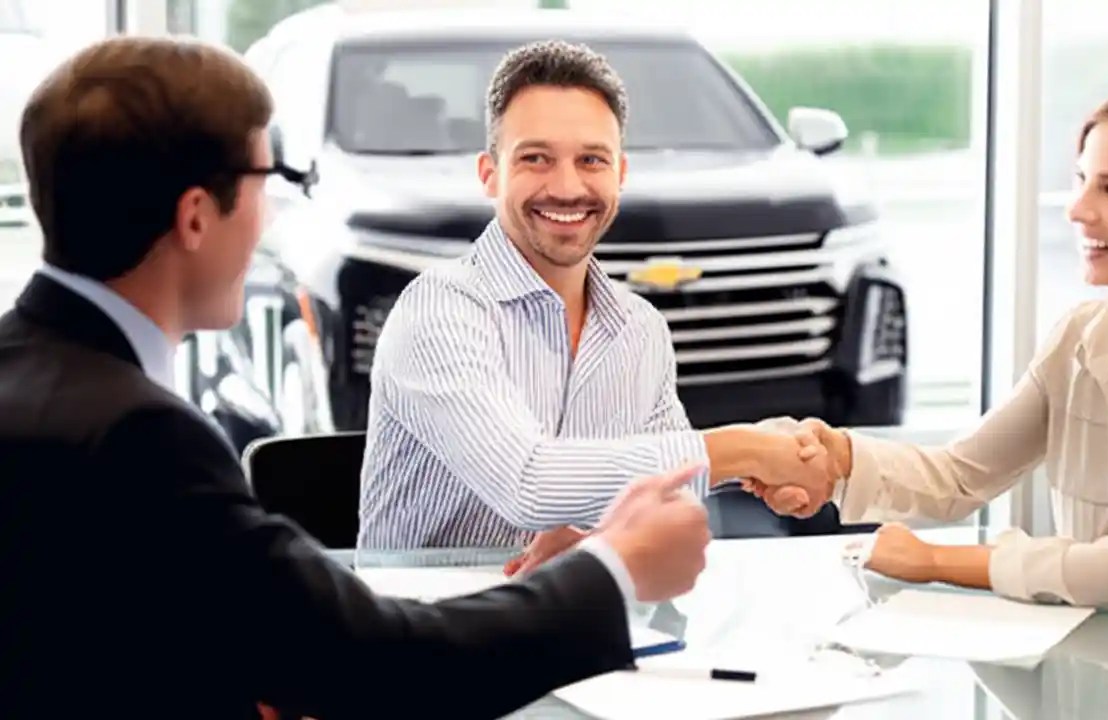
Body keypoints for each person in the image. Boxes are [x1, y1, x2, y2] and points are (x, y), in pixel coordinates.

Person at [0, 36, 715, 720]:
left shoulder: (38, 383)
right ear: (195, 217)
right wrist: (612, 571)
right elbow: (381, 665)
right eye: (268, 182)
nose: (272, 217)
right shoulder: (143, 437)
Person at [749, 85, 1108, 718]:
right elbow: (959, 477)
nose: (1078, 210)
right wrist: (835, 458)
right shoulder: (1083, 337)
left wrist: (938, 562)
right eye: (1082, 181)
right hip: (1095, 692)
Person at [359, 39, 826, 552]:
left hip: (574, 613)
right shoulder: (438, 311)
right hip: (429, 621)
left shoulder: (639, 328)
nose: (566, 186)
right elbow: (528, 483)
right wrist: (744, 452)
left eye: (592, 160)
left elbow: (673, 509)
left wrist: (768, 461)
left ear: (620, 175)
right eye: (535, 158)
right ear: (490, 176)